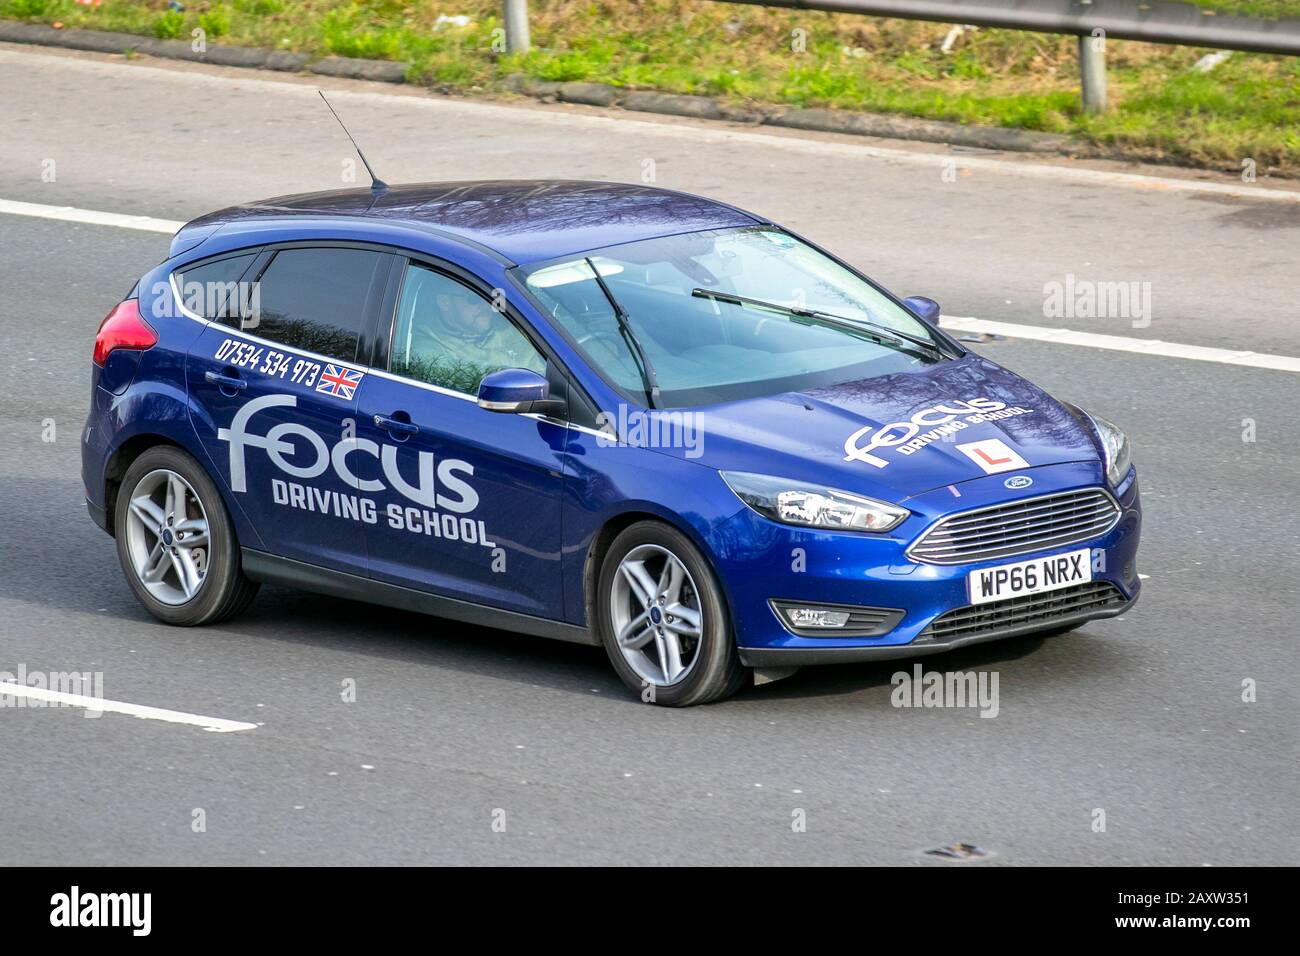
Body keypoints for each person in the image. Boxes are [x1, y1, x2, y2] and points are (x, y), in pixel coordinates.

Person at [395, 272, 545, 392]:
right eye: (474, 297)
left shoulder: (513, 330)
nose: (485, 304)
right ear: (444, 303)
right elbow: (472, 387)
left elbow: (543, 377)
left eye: (490, 297)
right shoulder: (427, 351)